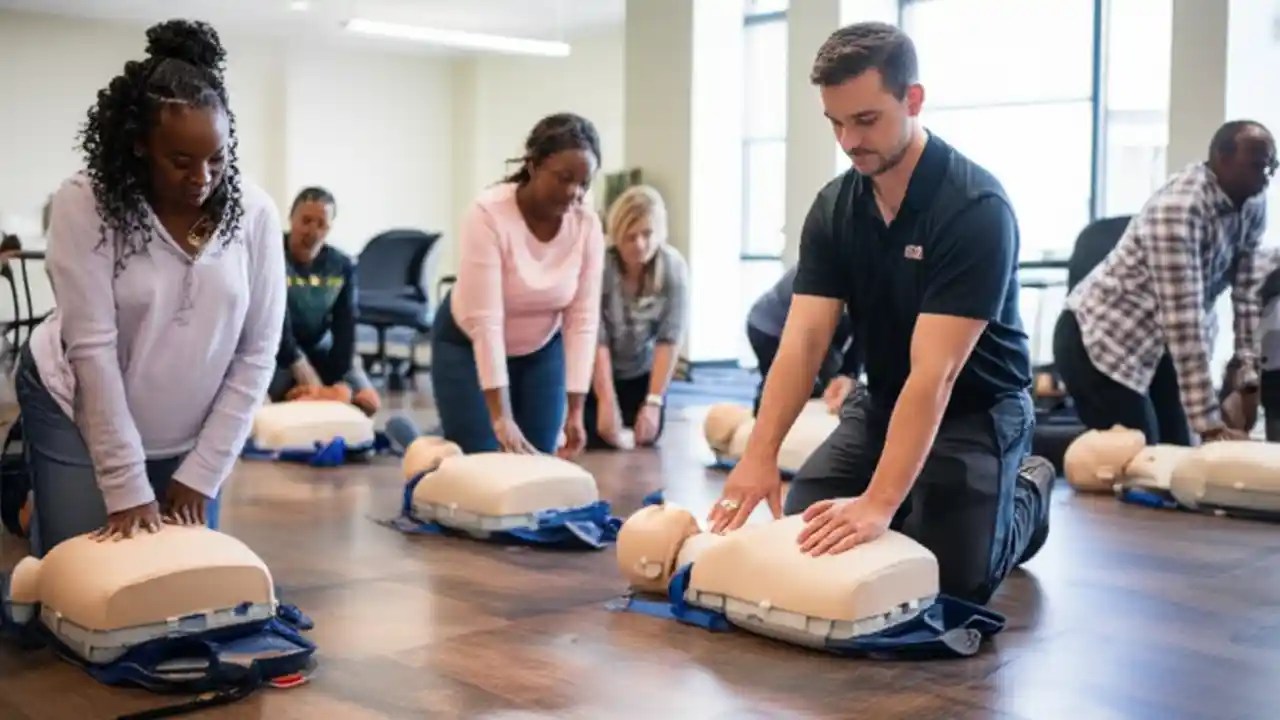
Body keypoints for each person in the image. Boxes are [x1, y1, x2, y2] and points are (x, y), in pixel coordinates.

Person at [707, 22, 1053, 607]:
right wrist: (760, 456)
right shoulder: (835, 208)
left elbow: (937, 374)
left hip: (975, 411)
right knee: (808, 522)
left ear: (912, 100)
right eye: (835, 122)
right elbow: (803, 341)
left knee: (954, 582)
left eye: (865, 121)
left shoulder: (974, 209)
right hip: (886, 401)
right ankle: (920, 499)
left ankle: (1026, 494)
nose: (847, 140)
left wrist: (880, 503)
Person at [16, 20, 285, 556]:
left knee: (179, 577)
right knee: (83, 571)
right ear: (139, 145)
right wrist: (125, 484)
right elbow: (90, 348)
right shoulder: (86, 203)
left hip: (186, 427)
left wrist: (205, 471)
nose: (202, 179)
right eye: (180, 161)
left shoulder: (252, 212)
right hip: (73, 401)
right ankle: (24, 500)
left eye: (217, 159)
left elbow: (257, 353)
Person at [1054, 121, 1277, 447]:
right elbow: (1183, 323)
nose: (1267, 175)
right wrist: (1210, 426)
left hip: (1161, 350)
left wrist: (1245, 379)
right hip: (1102, 346)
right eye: (1258, 165)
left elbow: (1245, 294)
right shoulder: (1178, 210)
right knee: (1144, 462)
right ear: (1221, 158)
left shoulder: (1254, 202)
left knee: (1181, 456)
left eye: (1273, 165)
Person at [431, 113, 604, 457]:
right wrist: (501, 417)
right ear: (533, 165)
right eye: (564, 178)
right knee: (481, 460)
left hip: (540, 349)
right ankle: (428, 445)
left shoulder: (586, 224)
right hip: (467, 343)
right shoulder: (488, 214)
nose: (574, 193)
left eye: (584, 183)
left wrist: (575, 411)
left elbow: (582, 322)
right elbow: (487, 322)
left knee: (536, 462)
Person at [585, 184, 688, 450]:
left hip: (640, 372)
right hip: (597, 372)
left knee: (647, 434)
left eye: (647, 234)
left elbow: (670, 338)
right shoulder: (601, 266)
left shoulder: (673, 268)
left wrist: (654, 402)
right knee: (596, 435)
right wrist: (606, 401)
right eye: (630, 237)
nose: (640, 245)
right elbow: (598, 340)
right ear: (616, 236)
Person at [268, 186, 380, 416]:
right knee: (266, 404)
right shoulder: (270, 254)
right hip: (277, 352)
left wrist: (338, 378)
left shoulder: (342, 265)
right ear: (291, 219)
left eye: (321, 224)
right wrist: (300, 366)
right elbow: (274, 319)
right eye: (306, 221)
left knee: (368, 403)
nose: (312, 231)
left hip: (320, 347)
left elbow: (345, 322)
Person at [746, 266, 862, 415]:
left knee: (832, 381)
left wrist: (848, 376)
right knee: (787, 384)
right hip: (767, 328)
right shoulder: (822, 277)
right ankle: (761, 417)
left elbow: (858, 340)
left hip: (799, 322)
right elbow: (812, 338)